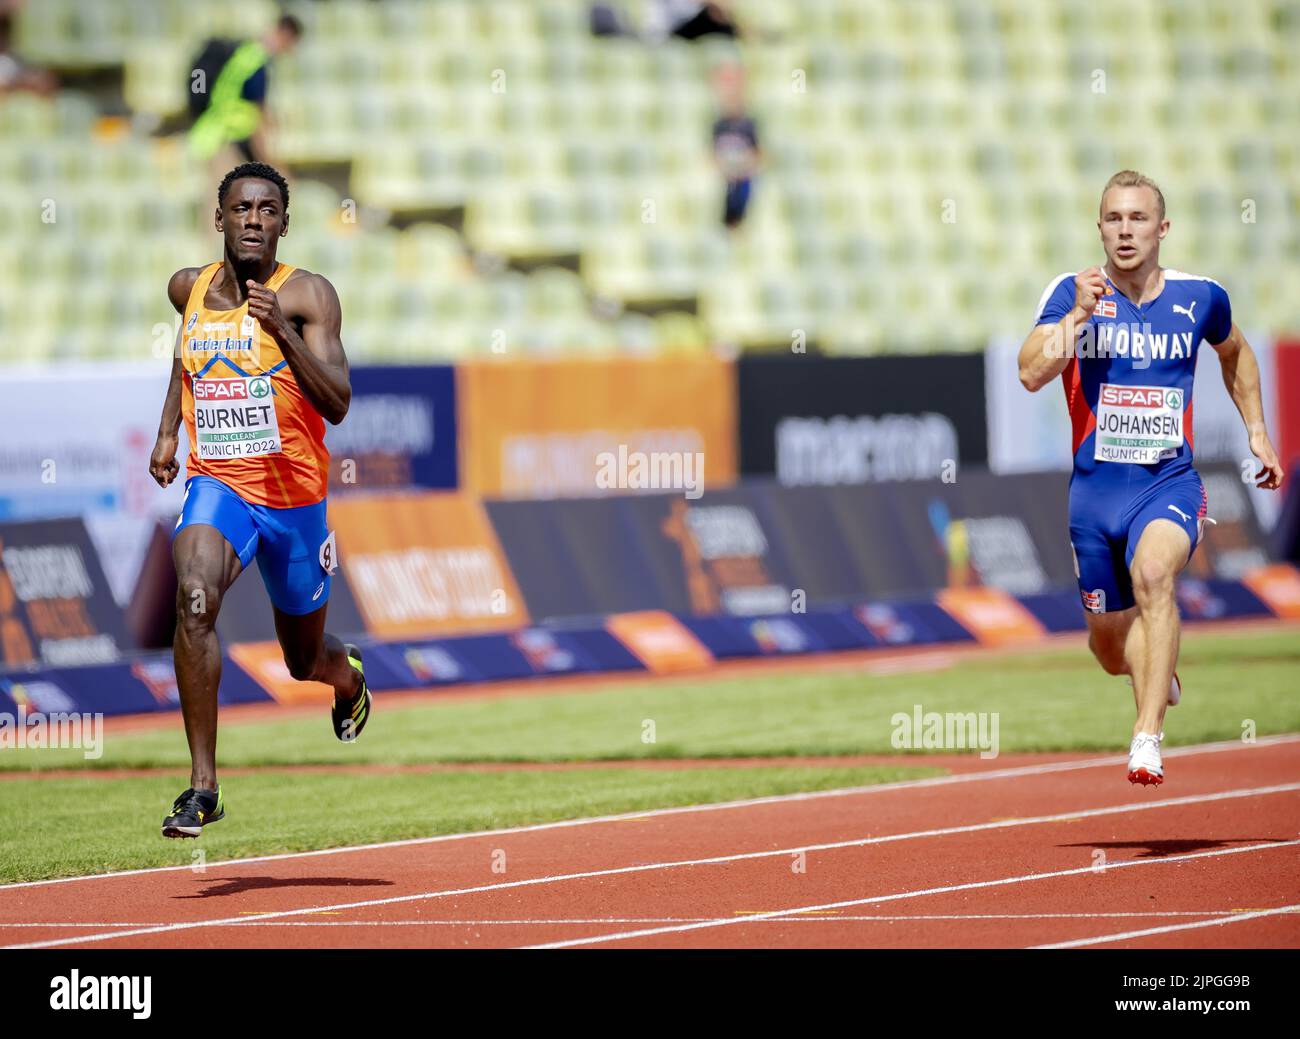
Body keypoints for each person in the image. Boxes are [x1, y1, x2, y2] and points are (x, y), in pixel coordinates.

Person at [1018, 170, 1284, 785]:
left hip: (1167, 484)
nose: (1125, 230)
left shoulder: (1200, 298)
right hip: (1093, 496)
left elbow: (1235, 351)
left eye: (1138, 219)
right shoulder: (1071, 291)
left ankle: (1146, 738)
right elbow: (1032, 372)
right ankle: (1154, 674)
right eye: (1114, 218)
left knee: (1155, 574)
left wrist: (1257, 430)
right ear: (1100, 227)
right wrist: (1079, 316)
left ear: (1162, 229)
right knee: (1111, 650)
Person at [149, 161, 371, 838]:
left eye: (268, 209)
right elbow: (186, 356)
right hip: (220, 485)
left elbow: (337, 403)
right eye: (241, 208)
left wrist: (286, 336)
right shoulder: (187, 288)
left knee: (303, 660)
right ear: (220, 219)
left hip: (295, 500)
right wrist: (167, 429)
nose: (253, 219)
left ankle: (350, 679)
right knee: (194, 597)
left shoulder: (307, 295)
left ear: (283, 222)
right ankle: (203, 786)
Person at [188, 14, 302, 168]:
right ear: (287, 35)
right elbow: (257, 115)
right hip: (227, 139)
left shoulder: (246, 52)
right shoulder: (256, 61)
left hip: (211, 134)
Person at [711, 62, 760, 229]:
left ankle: (738, 221)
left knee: (746, 183)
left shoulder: (749, 125)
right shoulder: (718, 125)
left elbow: (758, 154)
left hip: (740, 171)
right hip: (726, 171)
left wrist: (744, 166)